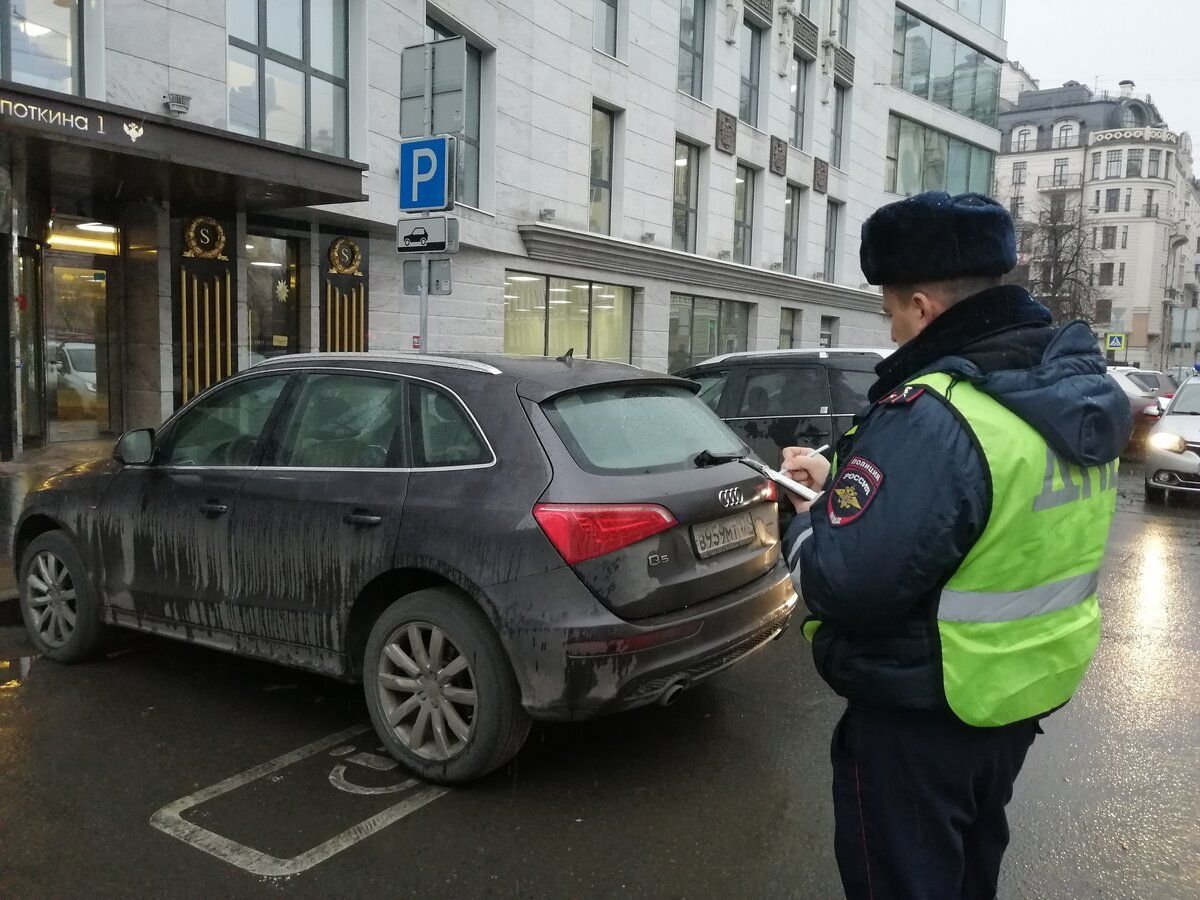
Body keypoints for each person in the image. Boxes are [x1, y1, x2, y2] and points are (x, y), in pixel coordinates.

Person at [779, 191, 1131, 899]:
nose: (892, 329)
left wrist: (808, 522)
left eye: (889, 311)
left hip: (920, 713)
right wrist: (846, 482)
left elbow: (848, 581)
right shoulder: (1064, 390)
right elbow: (983, 519)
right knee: (970, 874)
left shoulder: (937, 413)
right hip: (1011, 698)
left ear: (922, 307)